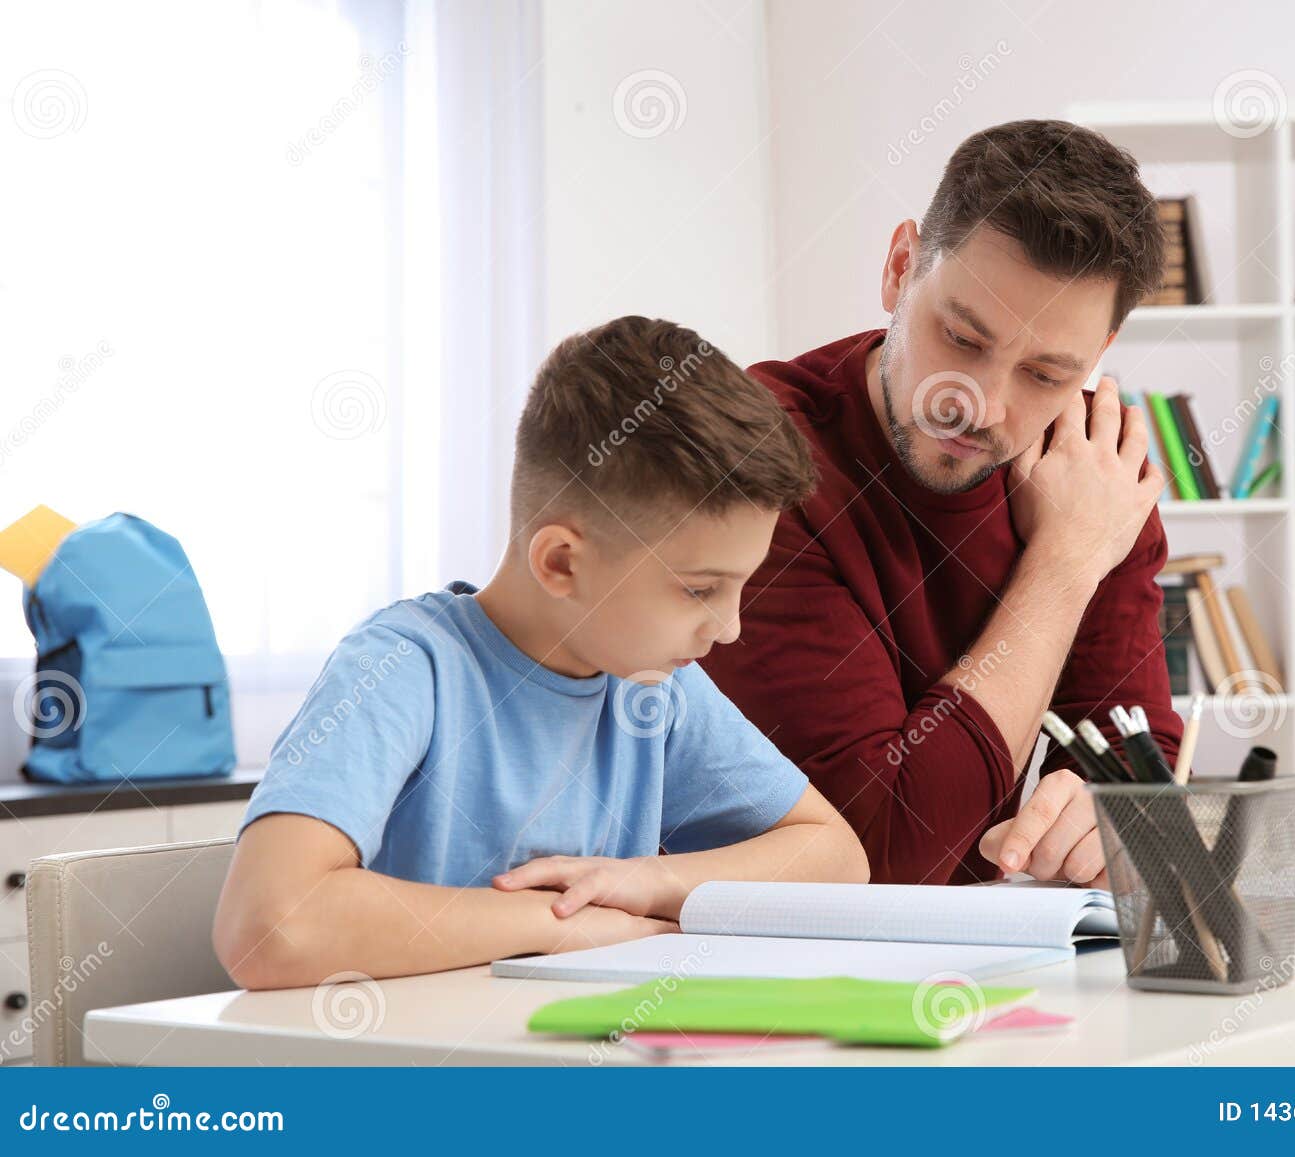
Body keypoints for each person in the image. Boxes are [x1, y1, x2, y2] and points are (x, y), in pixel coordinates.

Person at [214, 316, 869, 989]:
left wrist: (647, 882)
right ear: (560, 562)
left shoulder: (651, 688)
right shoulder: (405, 667)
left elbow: (837, 857)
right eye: (699, 588)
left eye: (740, 586)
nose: (729, 628)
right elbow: (268, 928)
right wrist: (564, 923)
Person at [702, 119, 1178, 887]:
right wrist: (1062, 566)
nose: (982, 406)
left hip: (998, 967)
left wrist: (1106, 818)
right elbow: (882, 851)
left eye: (1047, 374)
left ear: (1101, 352)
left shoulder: (1094, 469)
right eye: (961, 337)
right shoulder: (757, 455)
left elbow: (1131, 760)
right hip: (759, 963)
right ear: (900, 268)